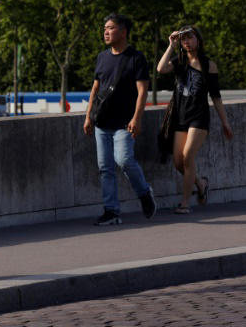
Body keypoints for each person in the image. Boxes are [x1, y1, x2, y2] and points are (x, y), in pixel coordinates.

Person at [83, 14, 157, 225]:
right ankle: (112, 211)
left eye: (111, 28)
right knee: (105, 168)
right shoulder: (102, 57)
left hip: (125, 122)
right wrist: (88, 116)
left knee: (124, 160)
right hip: (102, 122)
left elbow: (142, 92)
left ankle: (144, 193)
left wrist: (137, 118)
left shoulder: (136, 58)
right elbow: (96, 89)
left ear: (123, 32)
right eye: (104, 28)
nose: (106, 32)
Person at [156, 25, 233, 214]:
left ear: (198, 40)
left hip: (199, 118)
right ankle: (201, 182)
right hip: (180, 117)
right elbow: (160, 69)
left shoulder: (209, 65)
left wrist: (225, 122)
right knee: (178, 162)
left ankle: (185, 203)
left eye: (190, 38)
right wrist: (171, 45)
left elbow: (216, 96)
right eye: (184, 40)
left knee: (188, 155)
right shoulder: (179, 62)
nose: (187, 42)